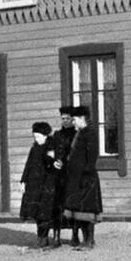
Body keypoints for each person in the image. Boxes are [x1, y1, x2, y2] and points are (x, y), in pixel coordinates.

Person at [61, 104, 103, 249]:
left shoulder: (89, 133)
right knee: (80, 211)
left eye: (74, 119)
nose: (73, 122)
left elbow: (92, 156)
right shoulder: (80, 133)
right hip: (77, 177)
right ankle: (87, 240)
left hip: (86, 177)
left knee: (88, 210)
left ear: (82, 118)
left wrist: (86, 173)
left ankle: (89, 241)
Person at [20, 121, 60, 247]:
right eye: (35, 137)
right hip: (34, 184)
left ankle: (45, 237)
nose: (36, 139)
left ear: (45, 136)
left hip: (47, 184)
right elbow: (28, 165)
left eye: (38, 137)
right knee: (37, 212)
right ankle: (40, 237)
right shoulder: (34, 148)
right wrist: (23, 181)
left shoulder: (51, 147)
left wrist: (52, 161)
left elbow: (53, 162)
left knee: (45, 211)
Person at [51, 105, 79, 247]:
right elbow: (51, 152)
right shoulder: (57, 135)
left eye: (68, 118)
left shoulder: (77, 135)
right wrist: (54, 162)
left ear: (73, 119)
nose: (65, 121)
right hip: (59, 176)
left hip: (72, 174)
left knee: (73, 205)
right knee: (58, 205)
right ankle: (57, 236)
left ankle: (75, 235)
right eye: (63, 118)